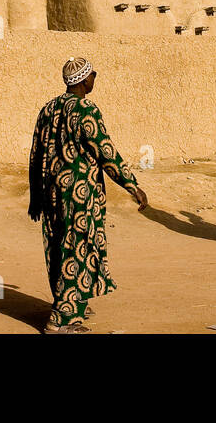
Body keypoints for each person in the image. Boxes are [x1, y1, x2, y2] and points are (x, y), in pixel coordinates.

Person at [28, 57, 148, 334]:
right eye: (92, 74)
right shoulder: (86, 110)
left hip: (52, 194)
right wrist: (132, 185)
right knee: (76, 250)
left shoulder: (49, 109)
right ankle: (62, 320)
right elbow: (105, 152)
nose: (95, 77)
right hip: (79, 196)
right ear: (83, 80)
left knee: (60, 248)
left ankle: (75, 300)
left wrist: (36, 196)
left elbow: (35, 155)